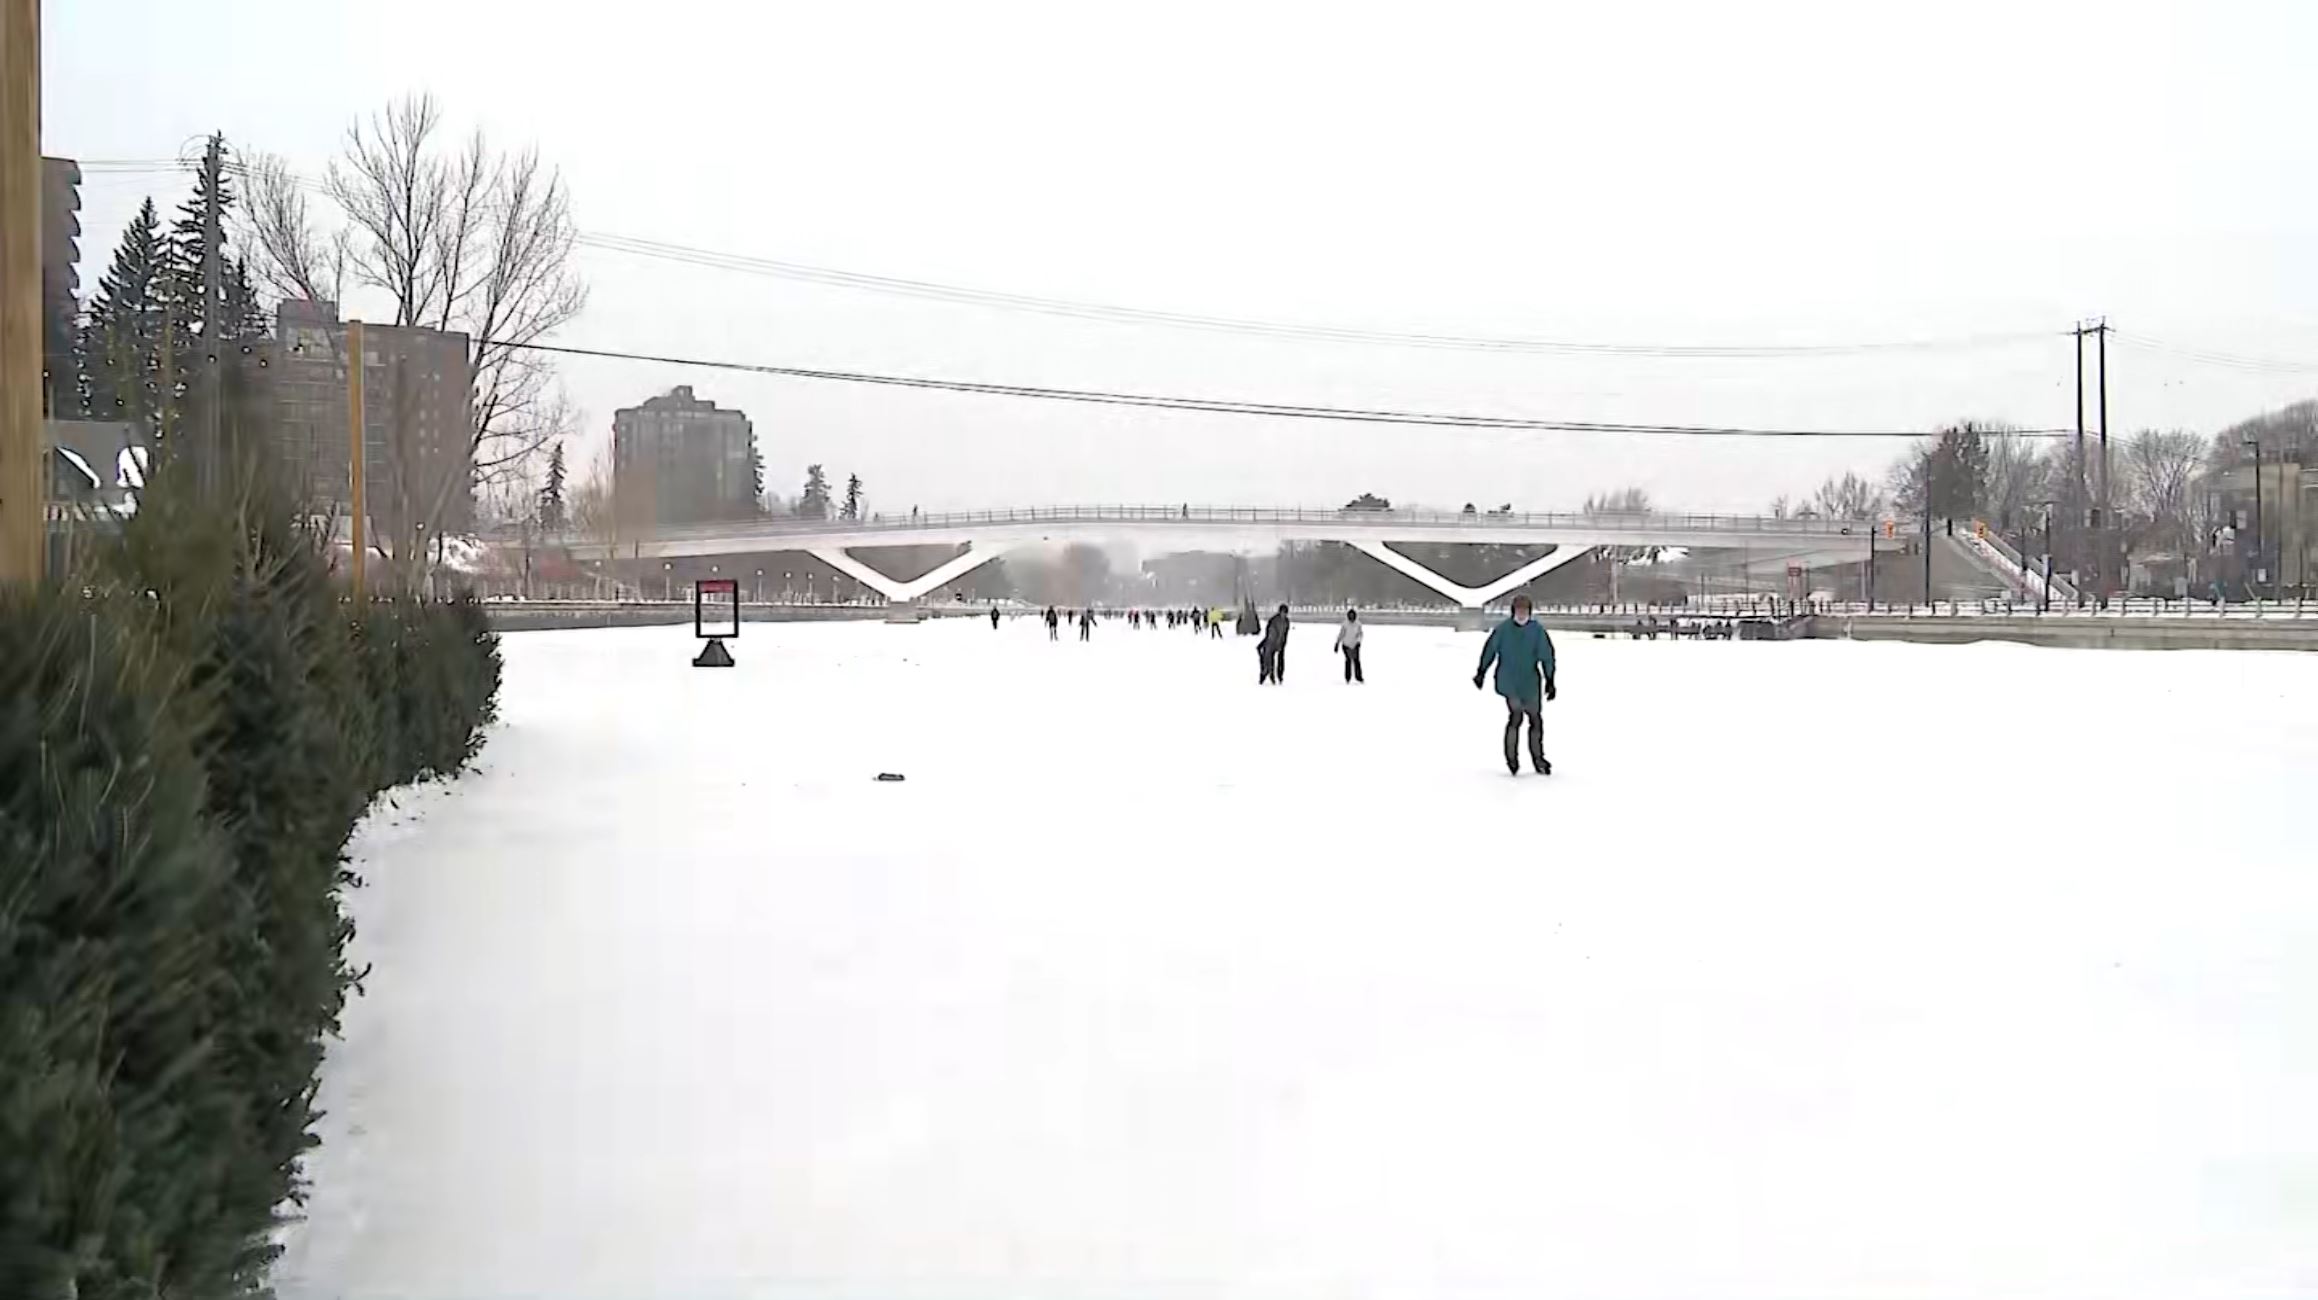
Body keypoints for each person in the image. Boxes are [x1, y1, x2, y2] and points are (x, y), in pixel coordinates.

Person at [1473, 594, 1556, 775]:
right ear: (1513, 611)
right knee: (1516, 716)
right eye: (1518, 610)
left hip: (1530, 682)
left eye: (1524, 611)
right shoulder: (1503, 630)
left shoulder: (1537, 631)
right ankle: (1512, 758)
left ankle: (1538, 758)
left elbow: (1547, 655)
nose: (1521, 614)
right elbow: (1490, 650)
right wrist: (1481, 671)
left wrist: (1550, 680)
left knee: (1535, 720)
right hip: (1509, 682)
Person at [1259, 603, 1291, 683]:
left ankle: (1280, 676)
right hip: (1272, 642)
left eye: (1285, 613)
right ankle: (1269, 675)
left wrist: (1283, 643)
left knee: (1281, 660)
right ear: (1280, 612)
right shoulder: (1274, 620)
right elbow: (1270, 633)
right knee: (1269, 660)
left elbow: (1285, 633)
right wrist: (1272, 642)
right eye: (1283, 612)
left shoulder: (1286, 622)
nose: (1284, 615)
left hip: (1280, 643)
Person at [1334, 607, 1365, 682]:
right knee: (1348, 660)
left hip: (1355, 645)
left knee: (1356, 661)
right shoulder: (1345, 624)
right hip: (1346, 645)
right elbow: (1341, 634)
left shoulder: (1358, 624)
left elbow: (1360, 634)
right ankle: (1348, 677)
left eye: (1352, 615)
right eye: (1350, 615)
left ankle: (1358, 677)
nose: (1351, 617)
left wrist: (1358, 642)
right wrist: (1337, 643)